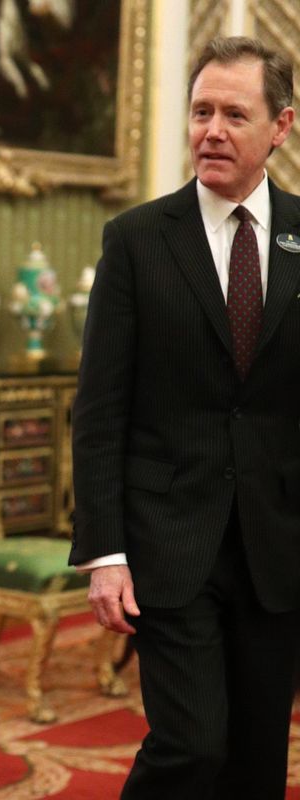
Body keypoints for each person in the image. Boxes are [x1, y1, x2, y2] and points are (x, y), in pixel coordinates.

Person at [70, 36, 300, 800]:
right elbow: (99, 410)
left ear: (282, 126)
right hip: (170, 542)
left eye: (236, 114)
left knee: (259, 759)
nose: (212, 129)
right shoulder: (136, 240)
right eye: (202, 111)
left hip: (278, 545)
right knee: (192, 744)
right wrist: (104, 551)